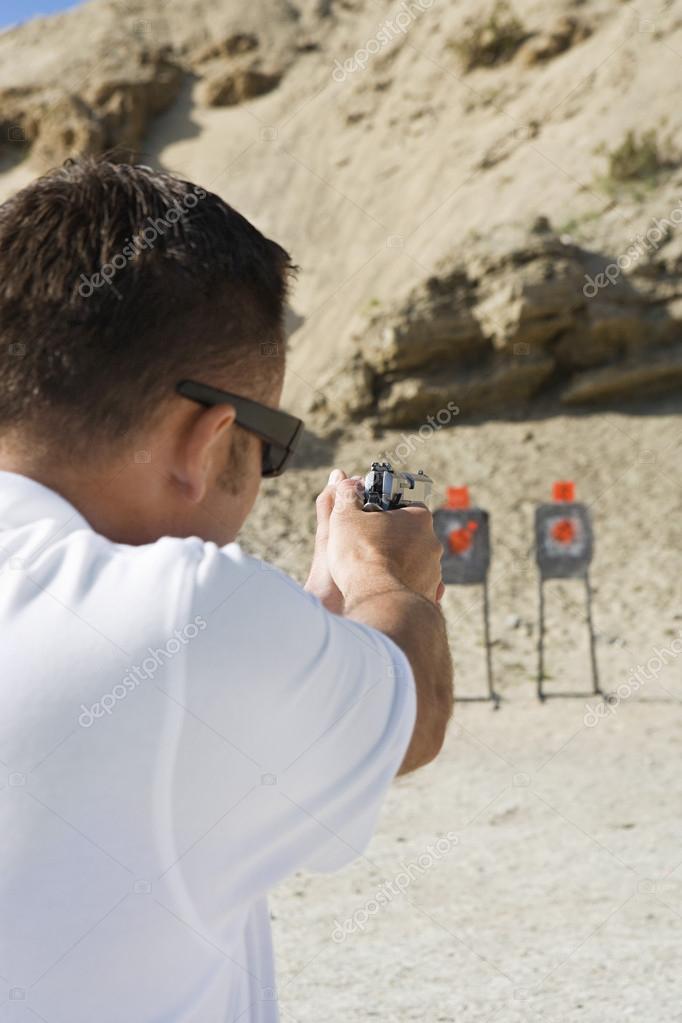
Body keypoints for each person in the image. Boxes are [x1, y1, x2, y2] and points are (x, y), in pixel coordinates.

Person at [0, 157, 453, 1022]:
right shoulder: (184, 615)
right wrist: (384, 574)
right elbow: (415, 711)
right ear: (206, 442)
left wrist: (314, 618)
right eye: (268, 444)